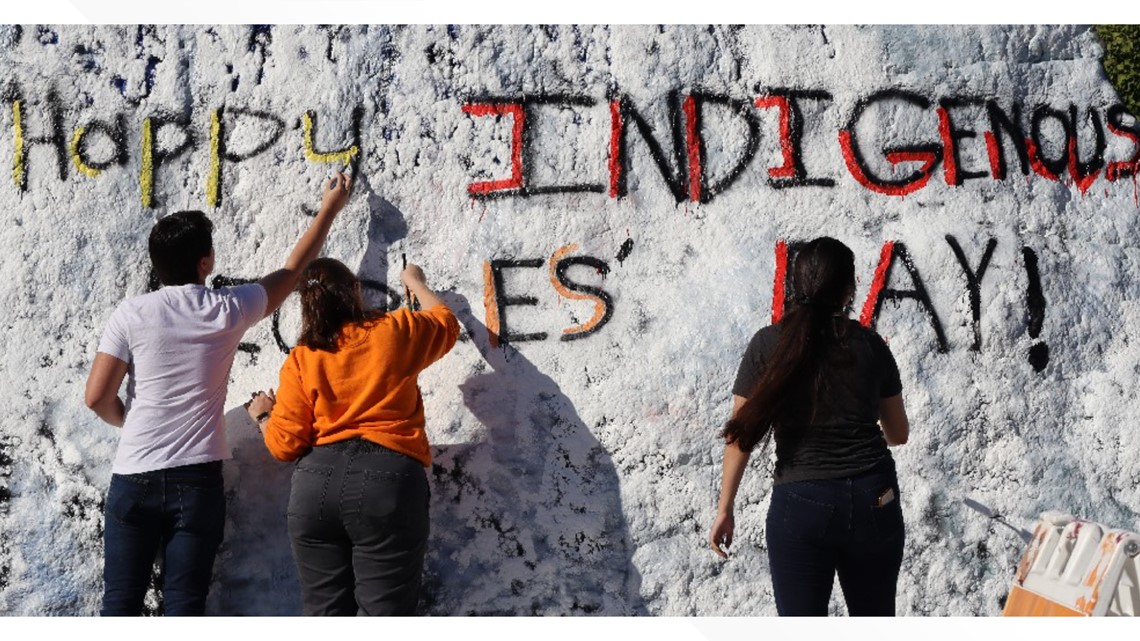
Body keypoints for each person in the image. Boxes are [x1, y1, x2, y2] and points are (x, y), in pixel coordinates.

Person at [84, 172, 352, 616]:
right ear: (205, 262)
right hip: (196, 481)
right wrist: (328, 210)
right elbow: (292, 272)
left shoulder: (130, 314)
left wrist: (129, 423)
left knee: (120, 604)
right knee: (185, 606)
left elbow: (97, 397)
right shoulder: (226, 308)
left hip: (134, 475)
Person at [708, 236, 910, 616]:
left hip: (802, 503)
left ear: (795, 285)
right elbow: (899, 434)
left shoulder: (768, 344)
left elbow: (740, 436)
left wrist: (725, 509)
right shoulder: (870, 345)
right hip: (874, 497)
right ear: (848, 289)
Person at [245, 257, 459, 616]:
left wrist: (264, 415)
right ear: (356, 290)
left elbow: (284, 445)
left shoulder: (302, 359)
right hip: (388, 483)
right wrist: (415, 281)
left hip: (315, 489)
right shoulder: (394, 331)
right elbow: (446, 323)